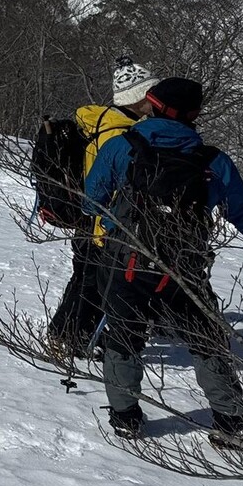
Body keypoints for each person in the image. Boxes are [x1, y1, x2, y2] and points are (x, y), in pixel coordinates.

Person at [83, 77, 243, 449]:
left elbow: (92, 200)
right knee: (207, 339)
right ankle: (232, 422)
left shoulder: (123, 147)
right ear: (195, 114)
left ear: (150, 104)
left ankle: (125, 419)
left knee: (124, 336)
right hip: (184, 268)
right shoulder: (212, 160)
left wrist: (116, 223)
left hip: (127, 260)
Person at [45, 58, 159, 357]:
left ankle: (62, 332)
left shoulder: (100, 120)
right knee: (95, 284)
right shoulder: (118, 132)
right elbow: (108, 184)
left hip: (87, 215)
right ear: (137, 98)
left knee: (84, 278)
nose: (155, 101)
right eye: (151, 94)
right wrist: (106, 229)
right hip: (99, 220)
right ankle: (76, 339)